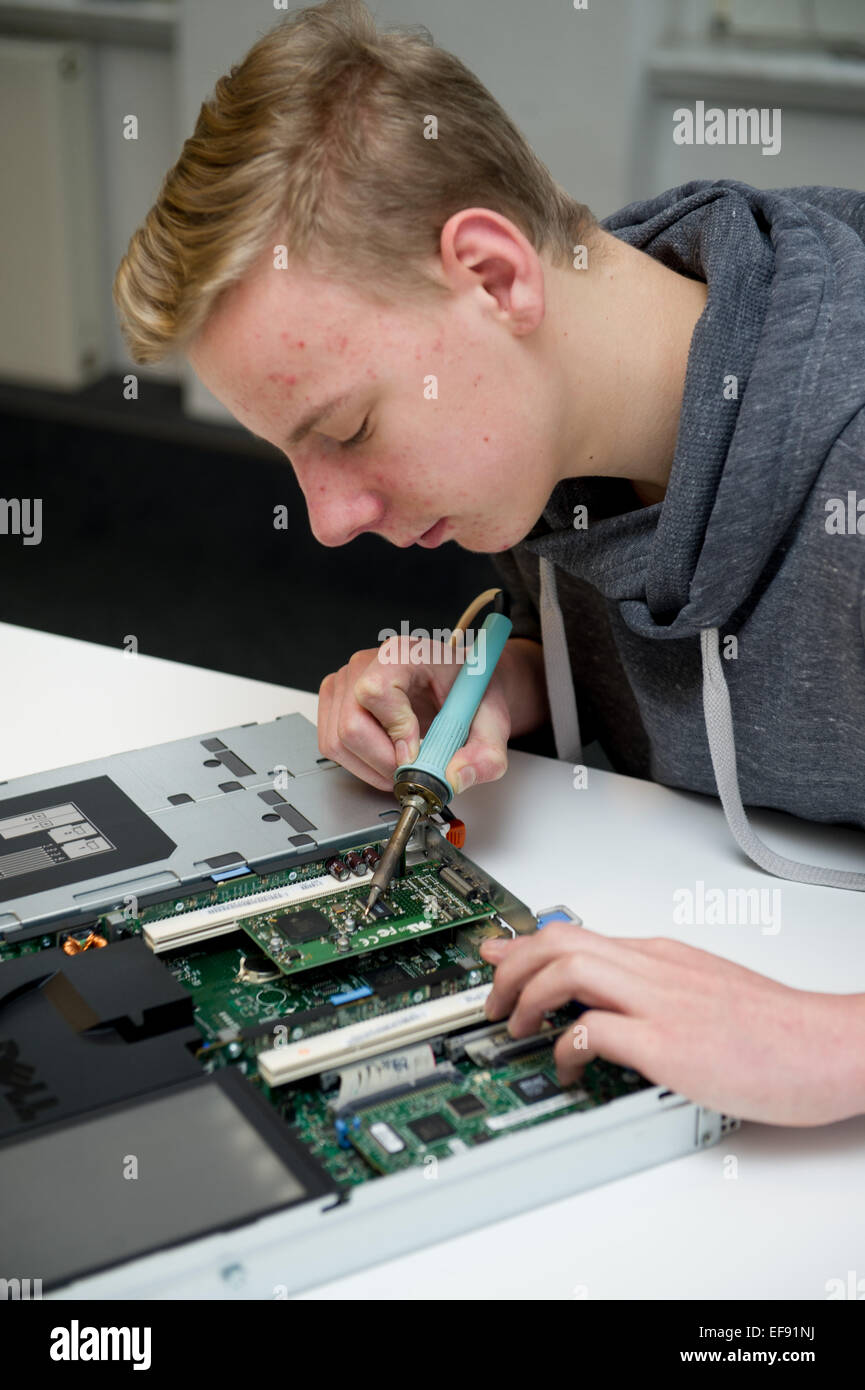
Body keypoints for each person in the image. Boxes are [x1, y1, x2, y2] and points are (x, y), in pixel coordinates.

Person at [113, 0, 865, 1127]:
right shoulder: (550, 435)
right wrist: (496, 684)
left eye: (349, 430)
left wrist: (828, 1043)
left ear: (494, 277)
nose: (324, 520)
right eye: (290, 455)